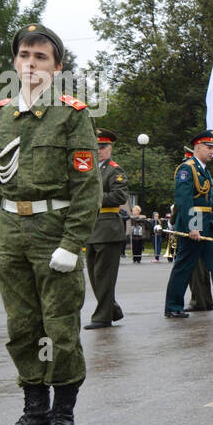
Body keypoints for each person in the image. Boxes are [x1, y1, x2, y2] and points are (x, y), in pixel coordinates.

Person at [0, 23, 101, 425]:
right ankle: (34, 413)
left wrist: (72, 244)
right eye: (24, 56)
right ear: (15, 62)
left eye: (41, 58)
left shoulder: (73, 115)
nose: (31, 65)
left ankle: (63, 415)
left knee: (59, 327)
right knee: (22, 327)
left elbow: (87, 186)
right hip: (12, 234)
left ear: (57, 67)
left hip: (54, 233)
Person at [164, 130, 213, 319]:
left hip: (207, 222)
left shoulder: (203, 169)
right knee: (184, 265)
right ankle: (173, 306)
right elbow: (184, 200)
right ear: (197, 148)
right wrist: (192, 226)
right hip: (194, 221)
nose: (212, 151)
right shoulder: (186, 169)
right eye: (208, 147)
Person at [84, 128, 129, 329]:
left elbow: (120, 197)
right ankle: (112, 308)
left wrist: (94, 199)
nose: (99, 151)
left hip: (108, 228)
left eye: (103, 147)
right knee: (94, 276)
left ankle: (102, 317)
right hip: (91, 228)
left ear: (110, 148)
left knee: (104, 276)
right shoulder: (88, 168)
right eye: (97, 147)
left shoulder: (114, 170)